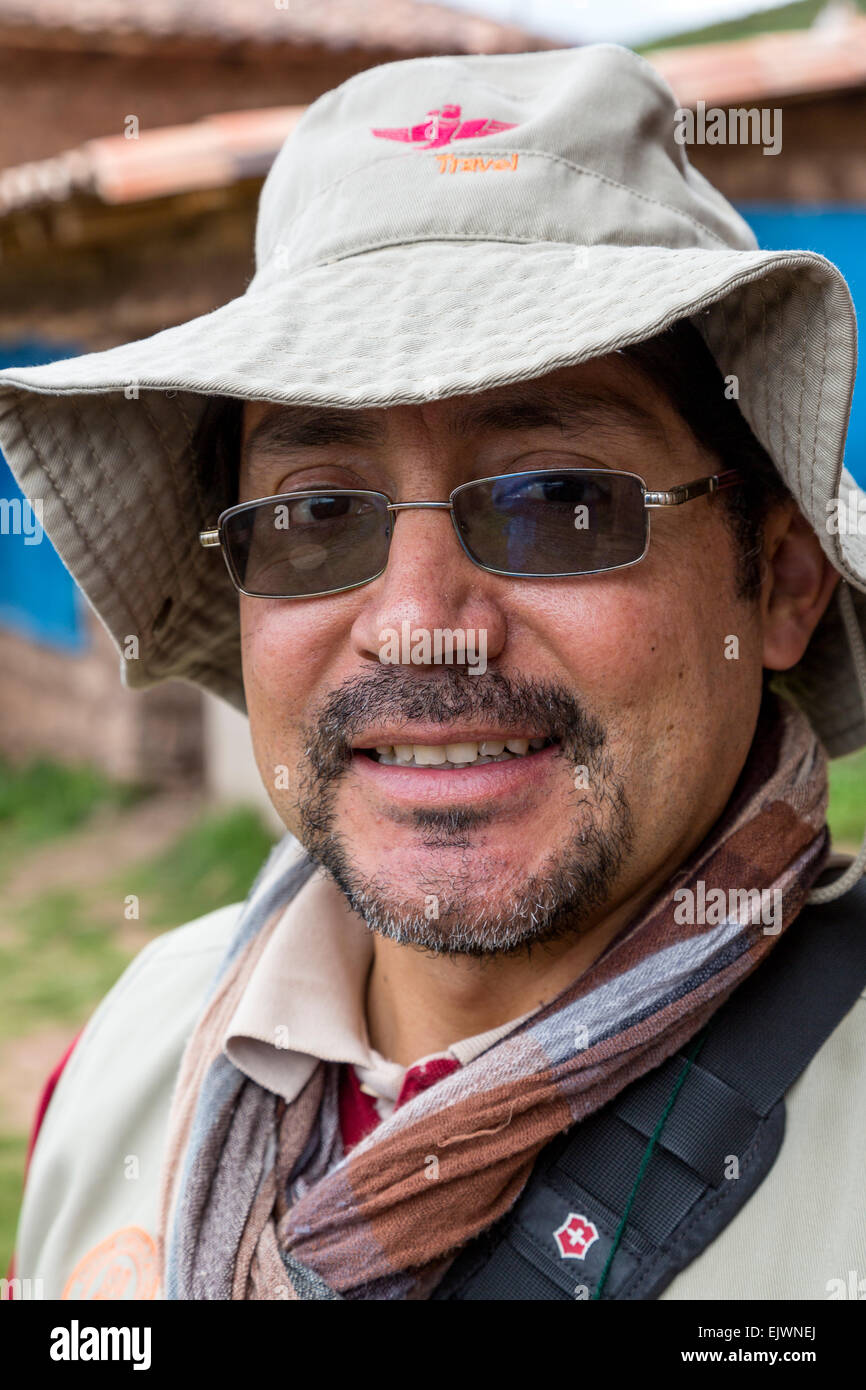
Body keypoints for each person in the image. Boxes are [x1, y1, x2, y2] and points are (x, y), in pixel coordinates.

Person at [1, 42, 864, 1303]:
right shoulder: (141, 1052)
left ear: (779, 579)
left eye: (560, 501)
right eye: (315, 515)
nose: (416, 626)